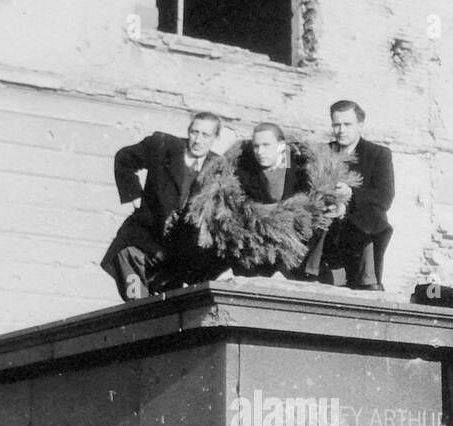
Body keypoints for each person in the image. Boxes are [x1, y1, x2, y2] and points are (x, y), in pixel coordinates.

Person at [101, 112, 226, 301]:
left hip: (174, 254)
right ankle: (138, 312)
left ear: (215, 138)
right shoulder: (163, 146)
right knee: (135, 293)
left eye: (205, 135)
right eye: (194, 132)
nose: (198, 140)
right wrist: (133, 195)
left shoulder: (219, 168)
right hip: (142, 240)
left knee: (166, 306)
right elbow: (124, 158)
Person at [302, 100, 394, 290]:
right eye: (336, 124)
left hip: (359, 229)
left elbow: (384, 197)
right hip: (324, 226)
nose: (341, 130)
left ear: (360, 125)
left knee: (372, 219)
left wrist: (351, 195)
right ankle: (312, 272)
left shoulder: (378, 155)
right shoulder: (322, 153)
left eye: (347, 124)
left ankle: (367, 279)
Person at [233, 123, 312, 277]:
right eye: (256, 146)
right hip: (257, 252)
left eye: (266, 145)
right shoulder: (245, 174)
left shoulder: (301, 173)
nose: (260, 152)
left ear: (281, 146)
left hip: (294, 255)